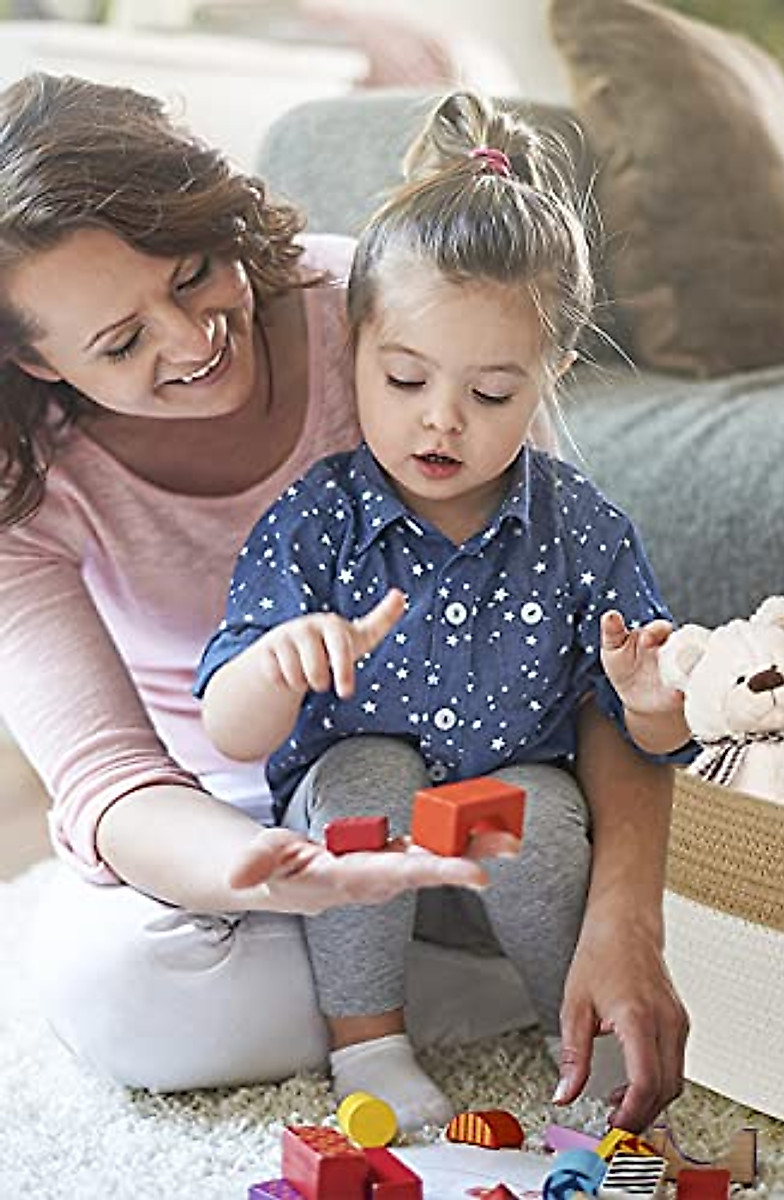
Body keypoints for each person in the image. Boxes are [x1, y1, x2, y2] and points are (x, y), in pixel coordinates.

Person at [0, 73, 689, 1131]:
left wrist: (625, 917)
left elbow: (585, 654)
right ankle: (436, 996)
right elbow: (112, 785)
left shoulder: (402, 314)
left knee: (550, 845)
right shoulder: (23, 490)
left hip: (499, 786)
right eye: (121, 345)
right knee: (127, 995)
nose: (190, 343)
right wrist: (261, 873)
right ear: (28, 360)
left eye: (192, 275)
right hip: (228, 810)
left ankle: (521, 968)